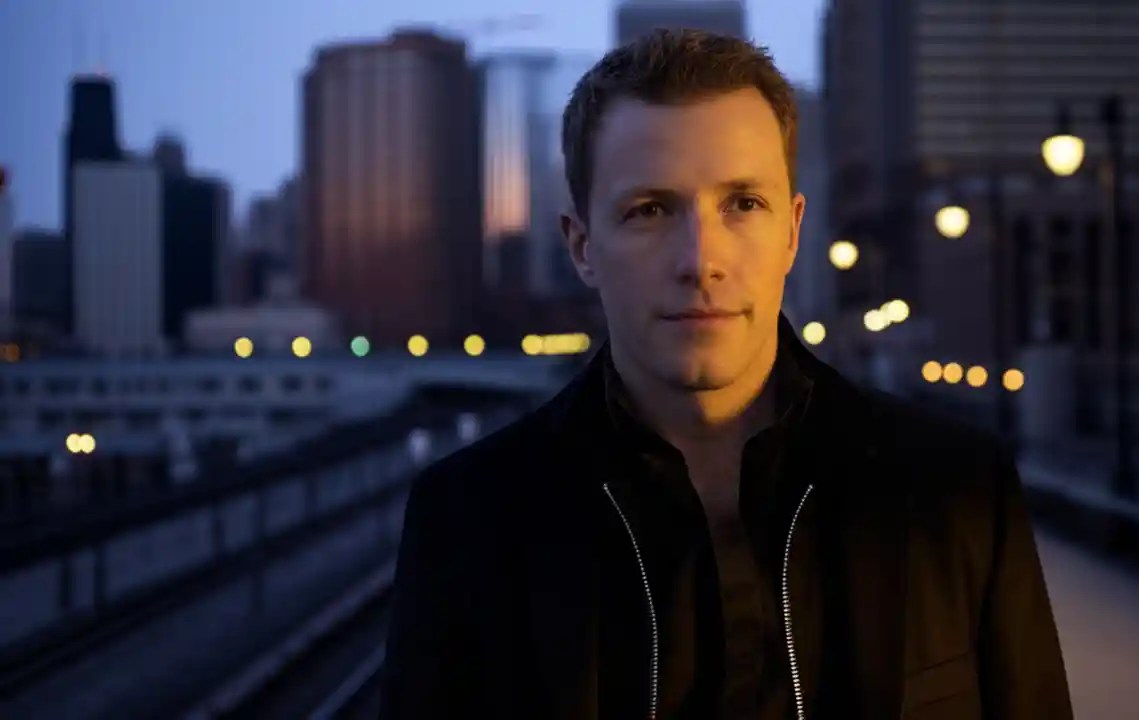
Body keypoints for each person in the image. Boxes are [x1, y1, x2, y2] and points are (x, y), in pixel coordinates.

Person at [381, 29, 1072, 720]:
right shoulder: (466, 521)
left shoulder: (957, 491)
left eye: (743, 204)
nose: (700, 259)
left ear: (793, 233)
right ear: (582, 246)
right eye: (650, 210)